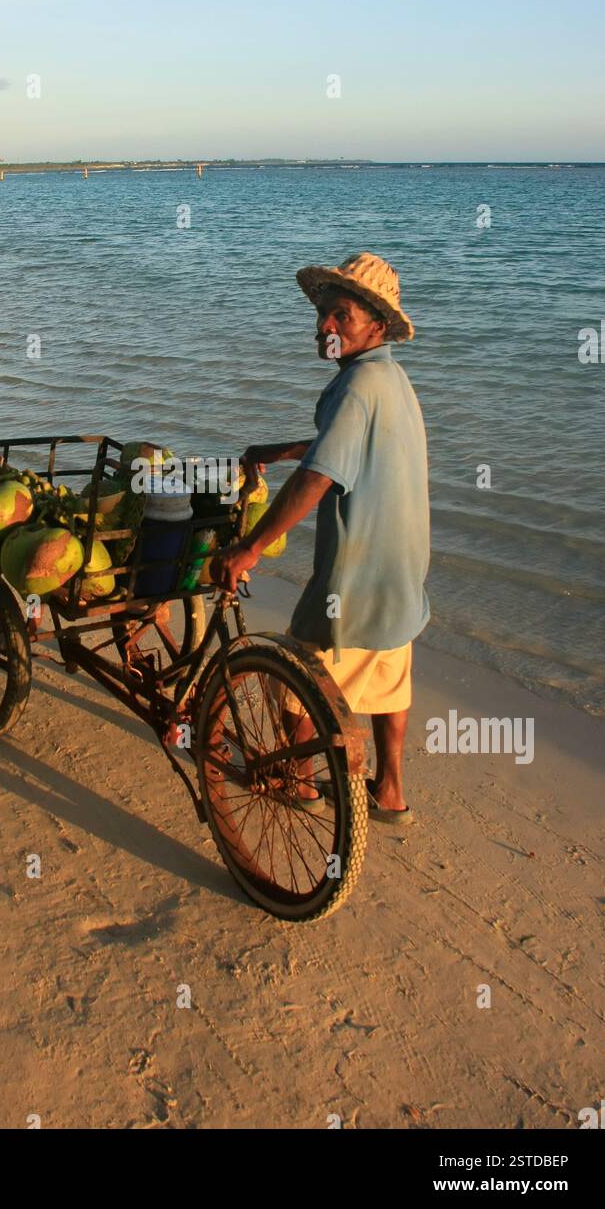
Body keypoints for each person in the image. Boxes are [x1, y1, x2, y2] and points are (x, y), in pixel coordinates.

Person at [211, 252, 430, 825]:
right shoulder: (389, 378)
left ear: (377, 327)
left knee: (295, 680)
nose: (326, 327)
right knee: (387, 670)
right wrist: (275, 451)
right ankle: (390, 791)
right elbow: (340, 447)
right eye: (324, 315)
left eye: (343, 317)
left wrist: (249, 547)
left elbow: (321, 475)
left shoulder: (357, 385)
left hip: (354, 574)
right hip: (402, 568)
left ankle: (301, 781)